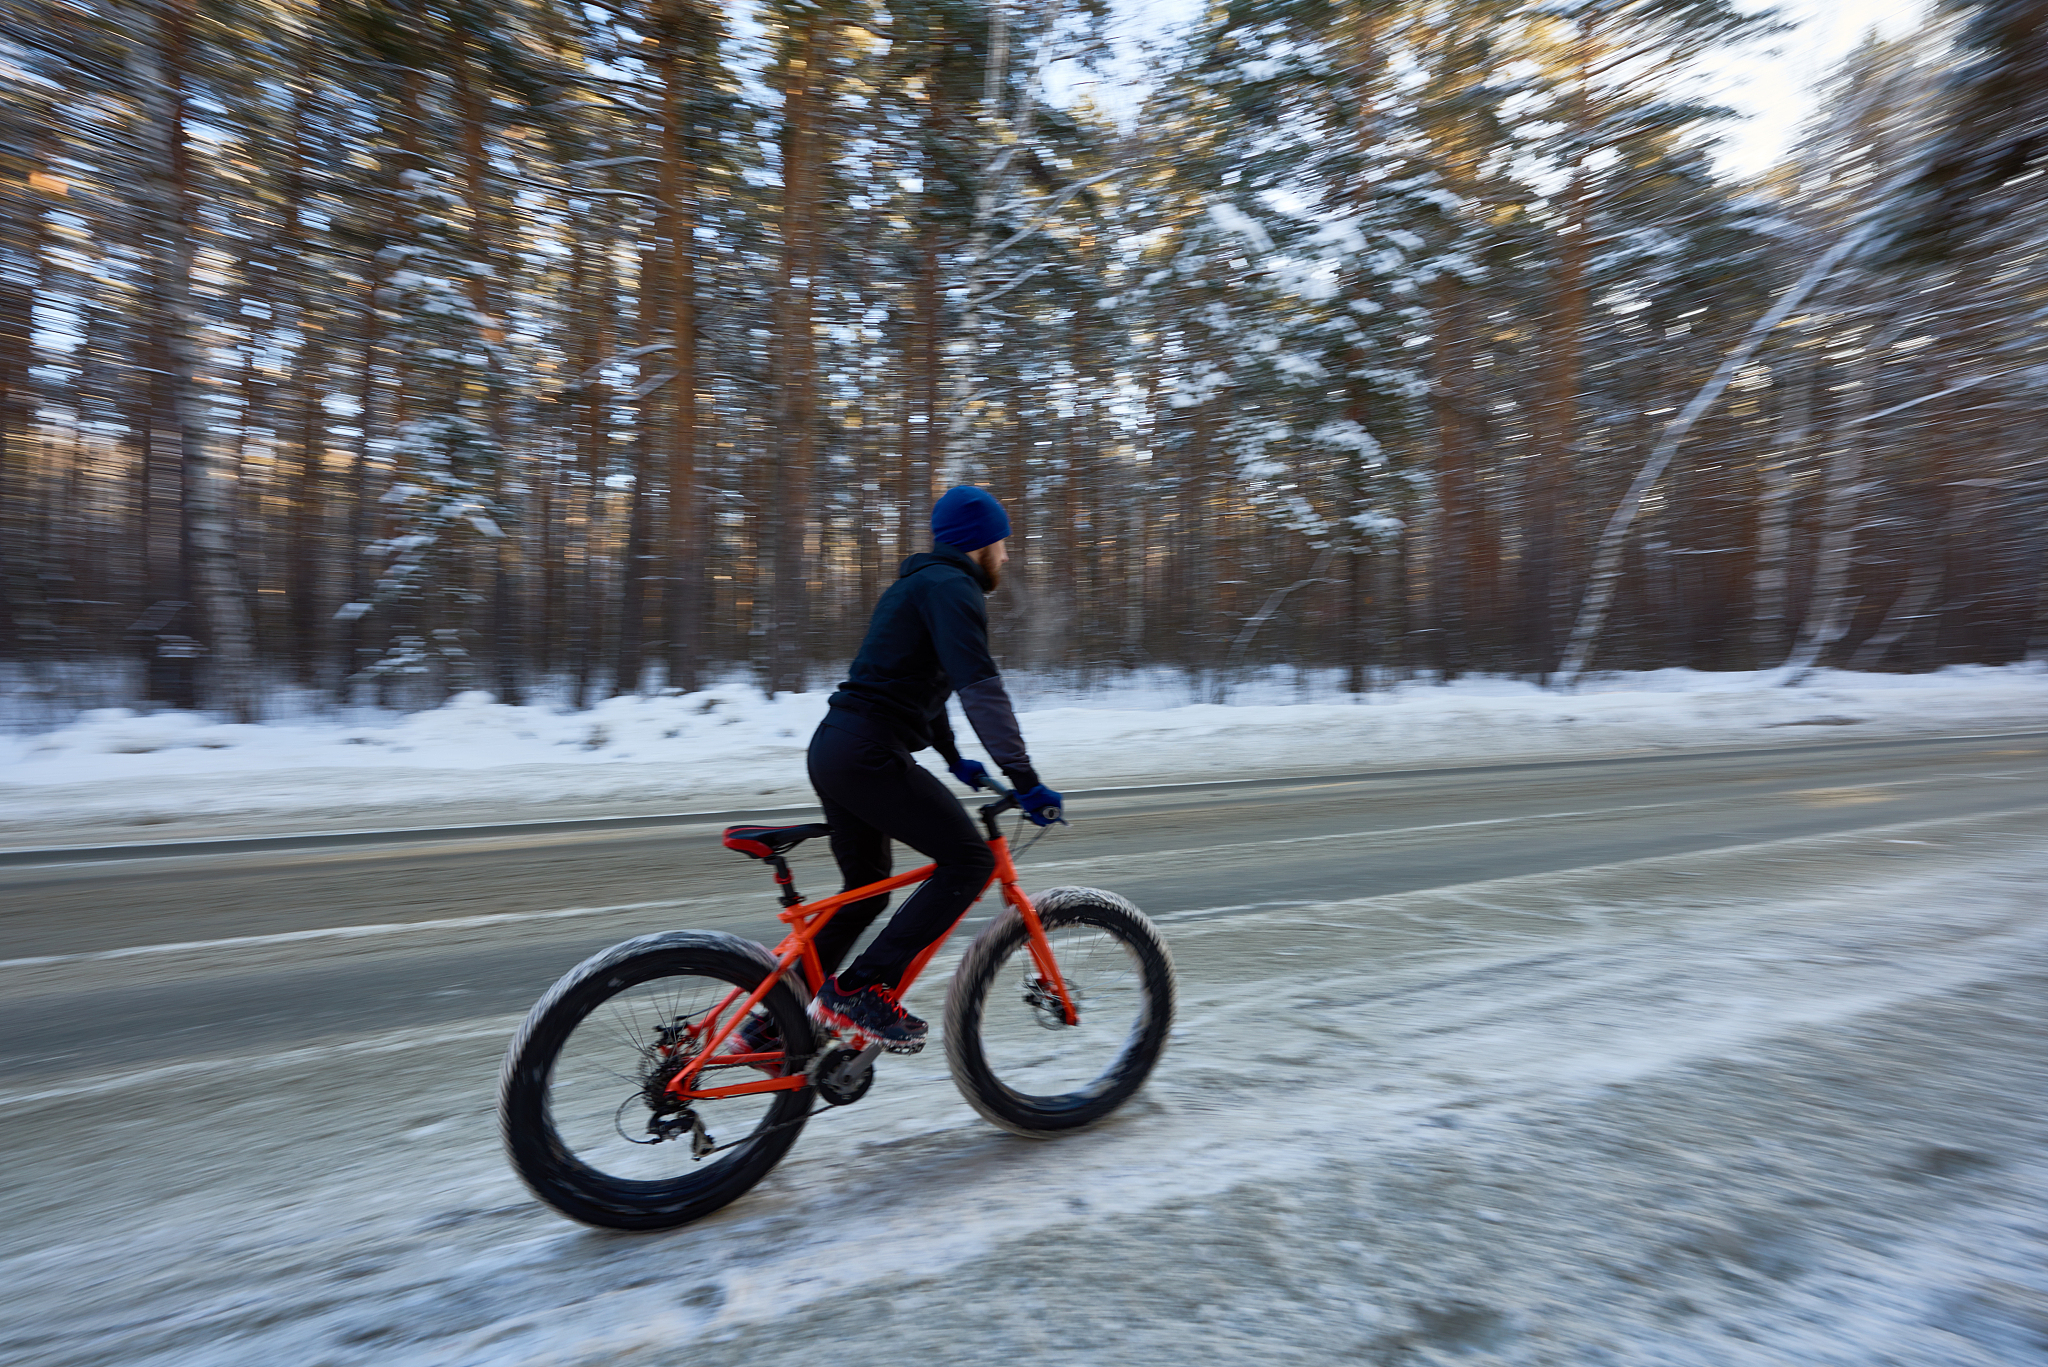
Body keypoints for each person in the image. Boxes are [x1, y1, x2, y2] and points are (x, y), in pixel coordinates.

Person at [787, 485, 1063, 1056]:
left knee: (864, 893)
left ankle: (775, 1019)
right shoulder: (955, 589)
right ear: (979, 543)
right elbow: (979, 687)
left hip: (835, 747)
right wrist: (1025, 777)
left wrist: (951, 756)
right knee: (968, 862)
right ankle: (861, 989)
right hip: (867, 754)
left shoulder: (916, 585)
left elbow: (912, 682)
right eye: (1001, 543)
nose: (1006, 557)